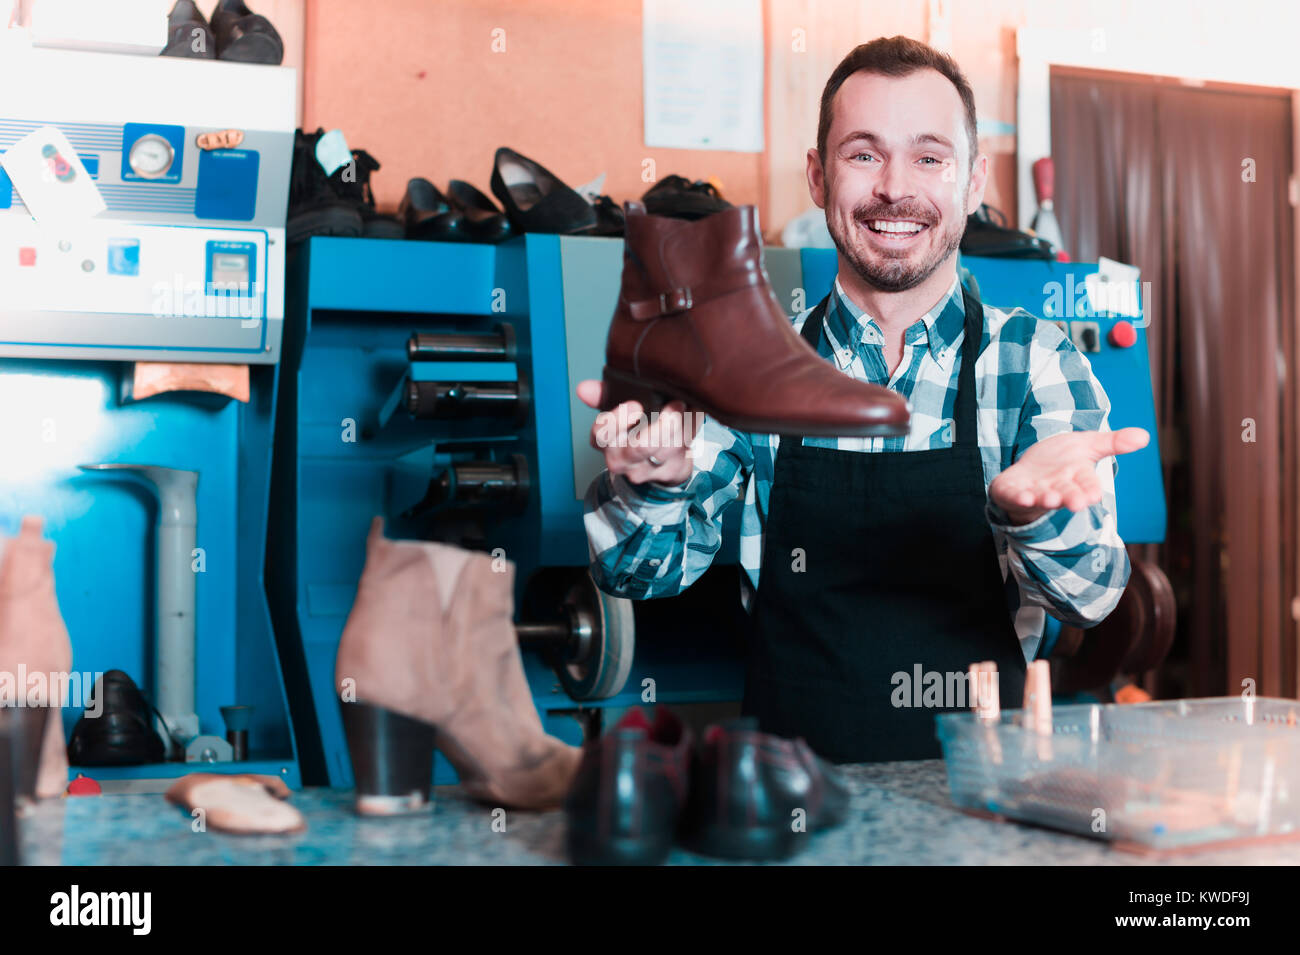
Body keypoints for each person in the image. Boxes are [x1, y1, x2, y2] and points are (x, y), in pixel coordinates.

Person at [576, 35, 1148, 762]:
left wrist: (1033, 519)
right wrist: (656, 484)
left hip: (979, 803)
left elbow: (1094, 597)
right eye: (864, 153)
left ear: (973, 182)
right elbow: (635, 573)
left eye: (930, 157)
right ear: (818, 177)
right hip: (793, 799)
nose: (895, 188)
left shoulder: (1033, 361)